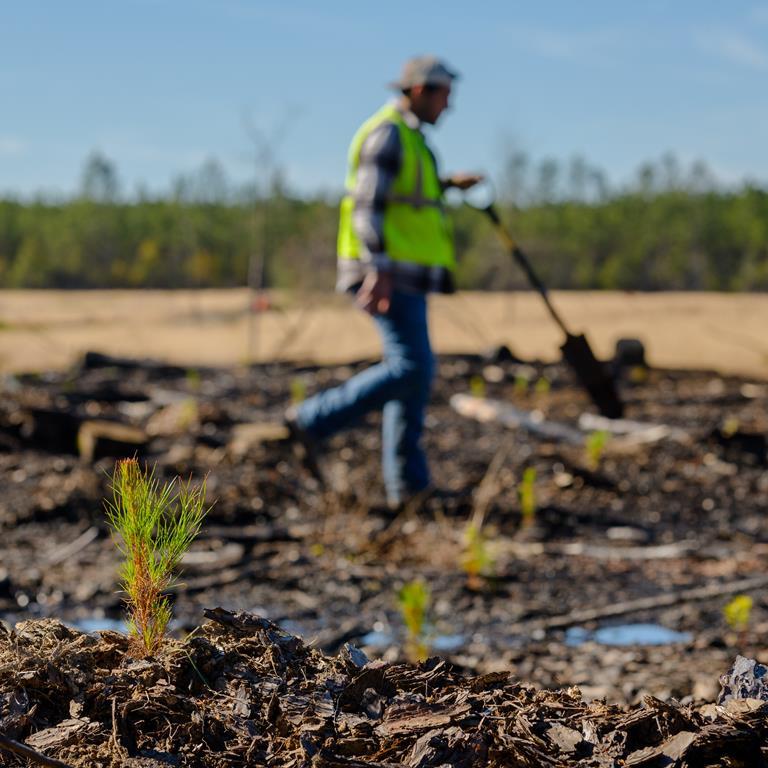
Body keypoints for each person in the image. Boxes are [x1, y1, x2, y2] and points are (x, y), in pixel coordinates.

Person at [286, 55, 482, 508]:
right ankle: (311, 420)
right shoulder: (389, 133)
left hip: (404, 275)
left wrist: (448, 184)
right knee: (412, 368)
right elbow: (367, 207)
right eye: (444, 96)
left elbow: (404, 196)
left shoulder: (411, 139)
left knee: (415, 375)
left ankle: (408, 488)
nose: (448, 106)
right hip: (385, 274)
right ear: (419, 90)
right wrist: (379, 268)